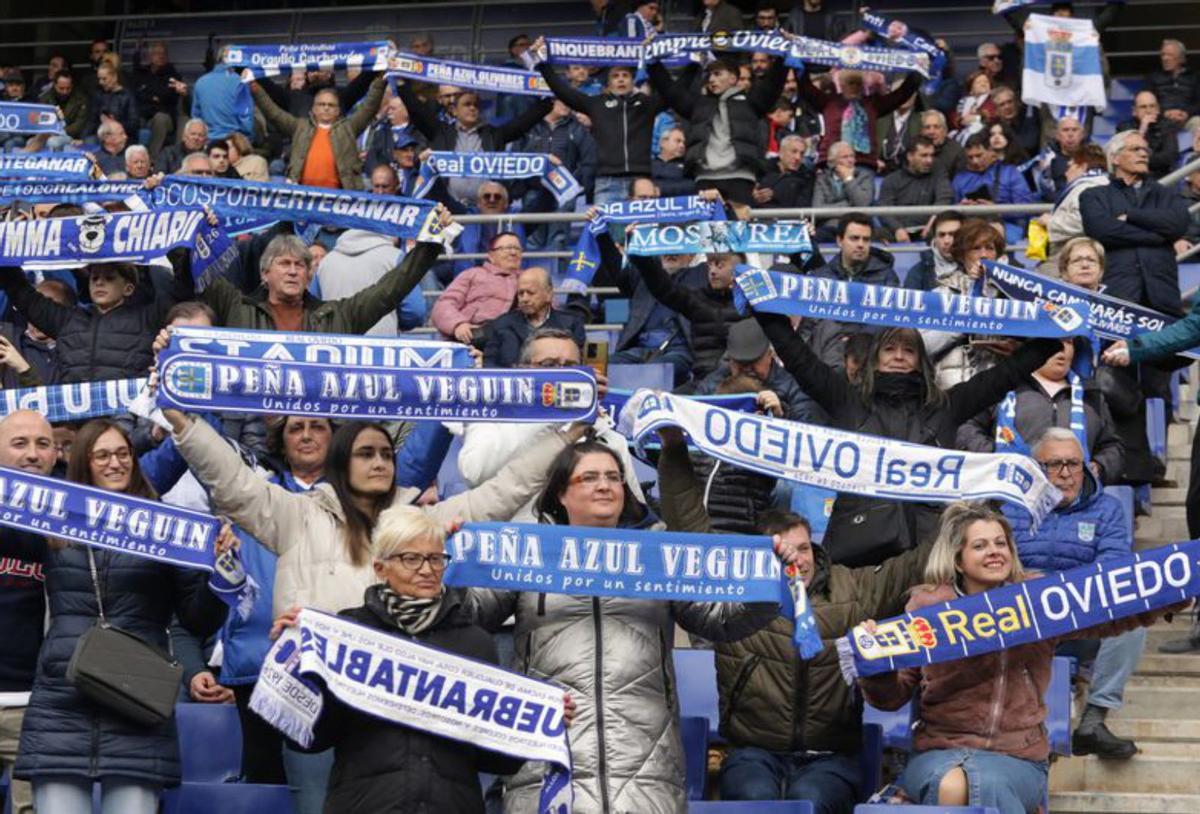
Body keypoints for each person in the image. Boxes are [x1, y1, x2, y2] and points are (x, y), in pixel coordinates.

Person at [465, 430, 776, 813]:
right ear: (561, 493)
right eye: (589, 477)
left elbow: (721, 620)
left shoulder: (658, 553)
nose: (605, 486)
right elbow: (470, 613)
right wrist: (437, 562)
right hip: (548, 768)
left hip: (645, 771)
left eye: (614, 477)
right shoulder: (526, 553)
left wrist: (771, 584)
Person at [857, 501, 1179, 814]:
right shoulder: (928, 609)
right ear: (958, 560)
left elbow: (1106, 612)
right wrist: (876, 664)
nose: (994, 551)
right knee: (953, 785)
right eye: (980, 546)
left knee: (983, 784)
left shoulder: (1037, 598)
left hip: (1017, 755)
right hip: (940, 751)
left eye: (1001, 543)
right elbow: (891, 696)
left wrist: (1168, 595)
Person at [161, 405, 589, 620]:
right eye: (366, 454)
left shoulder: (420, 521)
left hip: (389, 689)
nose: (380, 462)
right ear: (341, 462)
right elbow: (234, 482)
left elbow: (504, 489)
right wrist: (183, 424)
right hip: (314, 687)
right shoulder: (297, 515)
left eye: (386, 454)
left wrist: (565, 437)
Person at [6, 419, 228, 814]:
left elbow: (198, 620)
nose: (116, 463)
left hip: (136, 697)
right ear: (83, 463)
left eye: (124, 454)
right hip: (62, 700)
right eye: (103, 455)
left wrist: (222, 575)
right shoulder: (54, 520)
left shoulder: (167, 527)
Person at [270, 504, 539, 814]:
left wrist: (534, 725)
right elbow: (311, 739)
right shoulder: (347, 633)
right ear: (381, 567)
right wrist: (294, 664)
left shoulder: (474, 643)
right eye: (411, 558)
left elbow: (498, 760)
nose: (426, 570)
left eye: (435, 558)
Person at [750, 307, 1062, 567]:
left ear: (920, 360)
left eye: (909, 350)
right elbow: (801, 361)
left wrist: (1055, 334)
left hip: (928, 552)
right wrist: (763, 310)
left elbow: (1004, 376)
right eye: (889, 349)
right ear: (875, 357)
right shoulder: (847, 401)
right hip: (858, 549)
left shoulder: (946, 407)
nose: (899, 356)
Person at [704, 504, 930, 811]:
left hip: (831, 758)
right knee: (755, 797)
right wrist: (675, 472)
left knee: (810, 798)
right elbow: (689, 528)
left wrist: (965, 499)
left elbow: (915, 565)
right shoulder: (736, 594)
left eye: (804, 548)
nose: (798, 559)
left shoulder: (851, 590)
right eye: (785, 551)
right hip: (752, 753)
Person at [1004, 428, 1144, 759]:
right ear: (1036, 469)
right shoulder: (1012, 508)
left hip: (1081, 616)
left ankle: (1093, 720)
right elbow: (995, 566)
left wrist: (1057, 588)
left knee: (1135, 616)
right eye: (1054, 464)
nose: (1065, 474)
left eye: (1073, 464)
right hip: (1023, 618)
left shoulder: (1107, 509)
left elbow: (1113, 566)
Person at [182, 208, 453, 334]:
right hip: (252, 423)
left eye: (300, 265)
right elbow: (193, 270)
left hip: (314, 423)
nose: (292, 271)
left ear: (309, 275)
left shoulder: (335, 317)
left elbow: (390, 290)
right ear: (265, 274)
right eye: (284, 264)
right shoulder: (236, 307)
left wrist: (430, 243)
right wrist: (184, 222)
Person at [0, 251, 188, 383]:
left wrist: (179, 239)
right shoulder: (68, 320)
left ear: (128, 288)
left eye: (109, 278)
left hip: (126, 420)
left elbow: (183, 288)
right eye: (94, 278)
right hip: (74, 420)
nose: (99, 283)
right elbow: (20, 291)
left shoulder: (148, 317)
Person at [958, 340, 1123, 482]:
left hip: (1076, 497)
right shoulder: (1000, 387)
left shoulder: (1091, 395)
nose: (1062, 349)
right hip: (1008, 493)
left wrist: (1099, 468)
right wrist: (996, 457)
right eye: (1053, 341)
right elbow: (967, 428)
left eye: (1068, 342)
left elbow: (1112, 446)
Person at [0, 411, 59, 814]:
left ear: (57, 453)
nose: (33, 454)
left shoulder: (81, 516)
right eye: (19, 443)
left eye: (43, 444)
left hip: (36, 707)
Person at [532, 48, 665, 206]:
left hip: (641, 182)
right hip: (607, 183)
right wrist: (543, 64)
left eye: (625, 75)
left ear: (632, 80)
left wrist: (657, 61)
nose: (621, 80)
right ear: (608, 83)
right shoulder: (596, 104)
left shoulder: (646, 104)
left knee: (640, 224)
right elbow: (563, 92)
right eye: (615, 76)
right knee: (602, 224)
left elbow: (672, 93)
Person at [1079, 130, 1191, 318]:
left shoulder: (1166, 193)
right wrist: (1158, 236)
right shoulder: (1094, 195)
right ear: (1115, 158)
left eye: (1146, 150)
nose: (1143, 154)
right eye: (1135, 149)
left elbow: (1178, 225)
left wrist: (1131, 215)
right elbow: (1101, 230)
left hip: (1163, 297)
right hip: (1116, 296)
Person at [648, 55, 787, 204]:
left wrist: (784, 59)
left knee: (737, 220)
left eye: (717, 74)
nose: (711, 79)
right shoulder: (699, 105)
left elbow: (772, 85)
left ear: (733, 78)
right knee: (707, 221)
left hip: (741, 179)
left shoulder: (749, 104)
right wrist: (653, 64)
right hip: (705, 179)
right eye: (709, 75)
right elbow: (671, 92)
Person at [398, 82, 551, 203]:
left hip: (486, 206)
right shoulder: (440, 132)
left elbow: (524, 123)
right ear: (454, 110)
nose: (473, 108)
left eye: (476, 105)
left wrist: (548, 97)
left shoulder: (494, 135)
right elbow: (416, 110)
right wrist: (400, 83)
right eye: (467, 104)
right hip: (447, 208)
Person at [250, 77, 385, 190]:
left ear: (338, 111)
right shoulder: (300, 126)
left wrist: (381, 80)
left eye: (331, 105)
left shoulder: (348, 128)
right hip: (302, 195)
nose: (326, 108)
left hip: (340, 197)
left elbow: (369, 108)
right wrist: (255, 89)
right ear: (313, 109)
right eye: (321, 104)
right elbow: (273, 113)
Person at [691, 317, 819, 423]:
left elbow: (809, 434)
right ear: (730, 360)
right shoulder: (711, 386)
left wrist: (780, 417)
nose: (747, 369)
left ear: (770, 355)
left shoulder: (794, 388)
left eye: (753, 363)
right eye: (741, 364)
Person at [799, 67, 921, 171]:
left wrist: (917, 71)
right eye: (851, 83)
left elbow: (901, 94)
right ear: (841, 84)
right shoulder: (828, 102)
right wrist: (799, 69)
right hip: (831, 162)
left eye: (858, 83)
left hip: (863, 163)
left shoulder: (872, 104)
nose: (855, 87)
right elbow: (806, 88)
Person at [313, 228, 426, 336]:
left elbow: (311, 311)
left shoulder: (326, 262)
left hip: (336, 345)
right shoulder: (394, 257)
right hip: (379, 345)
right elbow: (415, 312)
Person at [431, 232, 526, 344]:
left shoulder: (529, 279)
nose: (513, 252)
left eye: (517, 248)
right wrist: (458, 324)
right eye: (507, 248)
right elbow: (444, 305)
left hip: (512, 338)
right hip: (474, 335)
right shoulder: (473, 274)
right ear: (491, 256)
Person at [482, 269, 585, 367]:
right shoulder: (502, 323)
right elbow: (489, 364)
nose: (524, 299)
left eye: (530, 293)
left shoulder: (571, 324)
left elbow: (575, 363)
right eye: (521, 293)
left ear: (549, 294)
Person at [952, 132, 1038, 244]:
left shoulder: (1010, 173)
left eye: (979, 155)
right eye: (970, 157)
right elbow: (951, 210)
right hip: (970, 227)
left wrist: (997, 210)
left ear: (991, 152)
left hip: (1007, 226)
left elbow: (1025, 207)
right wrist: (962, 208)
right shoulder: (959, 179)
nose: (975, 161)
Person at [877, 137, 954, 242]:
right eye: (924, 155)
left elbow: (944, 198)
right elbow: (884, 209)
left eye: (931, 155)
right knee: (876, 234)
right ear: (910, 156)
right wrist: (897, 229)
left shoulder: (938, 174)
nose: (929, 160)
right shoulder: (891, 180)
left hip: (928, 229)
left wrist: (933, 222)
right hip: (899, 230)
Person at [1045, 143, 1109, 257]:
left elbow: (1081, 222)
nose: (1066, 173)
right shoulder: (1103, 185)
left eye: (1070, 166)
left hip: (1075, 252)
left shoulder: (1086, 188)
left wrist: (1050, 222)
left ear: (1082, 167)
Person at [811, 142, 875, 240]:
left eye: (852, 156)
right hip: (831, 227)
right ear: (832, 162)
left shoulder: (864, 176)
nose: (850, 160)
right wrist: (849, 205)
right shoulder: (822, 179)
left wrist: (848, 179)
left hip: (858, 227)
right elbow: (818, 209)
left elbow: (863, 204)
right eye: (845, 157)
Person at [131, 41, 183, 160]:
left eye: (163, 53)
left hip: (165, 116)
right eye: (157, 53)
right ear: (150, 56)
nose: (161, 56)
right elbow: (137, 94)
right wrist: (153, 98)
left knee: (160, 118)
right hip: (144, 115)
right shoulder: (143, 73)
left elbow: (167, 97)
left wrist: (149, 96)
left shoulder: (173, 75)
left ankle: (151, 159)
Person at [191, 47, 255, 140]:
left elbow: (196, 117)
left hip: (209, 141)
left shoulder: (200, 82)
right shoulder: (240, 82)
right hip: (234, 141)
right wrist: (248, 138)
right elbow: (245, 117)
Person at [1116, 90, 1181, 179]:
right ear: (1134, 111)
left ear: (1158, 109)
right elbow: (1124, 158)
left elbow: (1169, 157)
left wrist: (1141, 160)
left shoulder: (1168, 126)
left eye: (1152, 106)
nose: (1148, 111)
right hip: (1131, 176)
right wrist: (1142, 130)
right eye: (1143, 107)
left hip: (1161, 177)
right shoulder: (1124, 127)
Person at [1145, 39, 1200, 133]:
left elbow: (1198, 102)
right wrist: (1164, 112)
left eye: (1170, 55)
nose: (1165, 58)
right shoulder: (1153, 77)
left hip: (1188, 119)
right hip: (1161, 118)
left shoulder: (1194, 77)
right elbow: (1147, 101)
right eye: (1163, 55)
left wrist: (1186, 113)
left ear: (1181, 58)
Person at [905, 210, 963, 292]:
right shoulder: (918, 272)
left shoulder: (977, 269)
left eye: (953, 234)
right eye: (941, 235)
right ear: (934, 238)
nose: (946, 241)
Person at [753, 133, 814, 209]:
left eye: (802, 154)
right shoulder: (762, 168)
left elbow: (803, 205)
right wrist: (753, 196)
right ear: (781, 152)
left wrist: (775, 194)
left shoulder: (807, 176)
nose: (798, 157)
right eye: (794, 151)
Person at [87, 57, 140, 143]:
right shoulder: (98, 95)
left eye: (104, 79)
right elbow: (92, 121)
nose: (100, 82)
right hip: (102, 136)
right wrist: (82, 138)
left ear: (114, 77)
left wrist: (114, 124)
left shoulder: (128, 96)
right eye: (99, 79)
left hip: (123, 136)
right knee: (89, 141)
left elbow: (134, 124)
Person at [38, 71, 89, 148]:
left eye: (68, 88)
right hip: (48, 133)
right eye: (61, 88)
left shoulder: (81, 99)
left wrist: (59, 132)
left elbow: (79, 124)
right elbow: (41, 121)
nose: (65, 92)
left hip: (70, 135)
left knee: (52, 142)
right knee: (30, 142)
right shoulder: (45, 98)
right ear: (55, 85)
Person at [653, 126, 696, 198]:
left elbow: (693, 185)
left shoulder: (688, 165)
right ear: (663, 143)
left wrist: (661, 189)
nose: (682, 145)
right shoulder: (649, 165)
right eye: (678, 141)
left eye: (684, 143)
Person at [921, 110, 965, 179]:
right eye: (927, 127)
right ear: (921, 131)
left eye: (936, 127)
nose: (931, 132)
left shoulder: (956, 152)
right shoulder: (915, 149)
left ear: (944, 130)